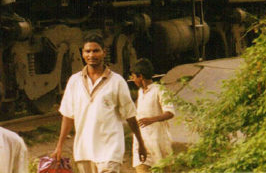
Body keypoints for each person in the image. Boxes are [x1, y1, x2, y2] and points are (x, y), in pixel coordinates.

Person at [53, 32, 146, 173]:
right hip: (84, 150)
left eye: (96, 51)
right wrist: (59, 146)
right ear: (82, 53)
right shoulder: (74, 81)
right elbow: (68, 116)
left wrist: (140, 142)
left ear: (104, 52)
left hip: (110, 150)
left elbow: (130, 115)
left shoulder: (117, 81)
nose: (91, 55)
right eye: (87, 51)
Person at [128, 59, 175, 173]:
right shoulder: (140, 92)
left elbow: (170, 112)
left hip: (158, 141)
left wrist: (151, 120)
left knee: (163, 168)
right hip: (142, 142)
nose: (132, 80)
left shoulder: (159, 90)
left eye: (134, 77)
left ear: (141, 77)